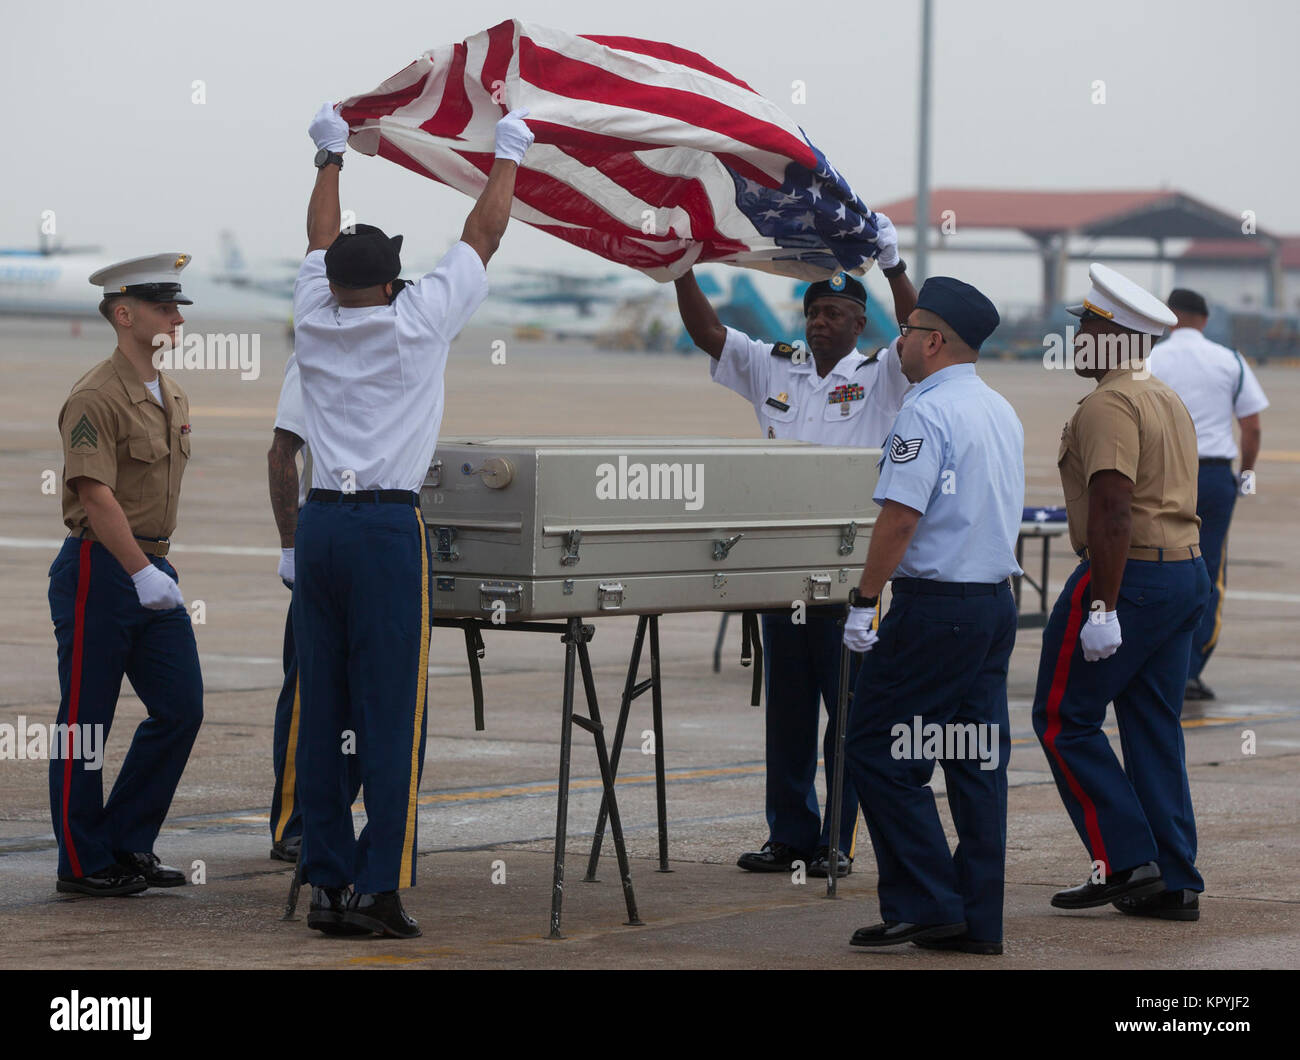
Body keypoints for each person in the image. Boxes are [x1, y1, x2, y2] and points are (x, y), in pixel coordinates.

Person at [292, 101, 532, 938]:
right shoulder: (417, 322)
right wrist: (509, 153)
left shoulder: (313, 320)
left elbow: (319, 241)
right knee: (392, 713)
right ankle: (379, 889)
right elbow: (484, 236)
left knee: (323, 708)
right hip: (386, 532)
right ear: (391, 282)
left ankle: (325, 882)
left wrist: (330, 157)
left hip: (318, 527)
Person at [674, 219, 915, 879]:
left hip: (845, 578)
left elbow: (921, 338)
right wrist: (679, 269)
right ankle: (790, 835)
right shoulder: (774, 367)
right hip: (782, 576)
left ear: (861, 322)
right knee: (786, 713)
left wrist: (894, 268)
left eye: (836, 313)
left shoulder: (881, 378)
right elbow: (708, 334)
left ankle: (838, 840)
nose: (821, 323)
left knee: (849, 717)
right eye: (814, 312)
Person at [840, 277, 1023, 954]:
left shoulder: (924, 411)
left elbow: (900, 519)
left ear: (935, 341)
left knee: (877, 752)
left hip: (936, 610)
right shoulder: (999, 408)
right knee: (974, 765)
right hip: (990, 605)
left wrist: (863, 602)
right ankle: (976, 922)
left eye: (910, 330)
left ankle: (926, 902)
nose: (901, 340)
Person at [1032, 263, 1210, 922]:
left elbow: (1112, 508)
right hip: (1180, 572)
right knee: (1152, 726)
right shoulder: (1163, 395)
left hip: (1127, 575)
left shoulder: (1109, 404)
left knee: (1062, 719)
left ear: (1113, 335)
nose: (1077, 337)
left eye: (1086, 326)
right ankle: (1172, 880)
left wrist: (1102, 606)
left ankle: (1126, 859)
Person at [48, 253, 204, 896]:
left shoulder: (171, 392)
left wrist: (153, 571)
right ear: (124, 314)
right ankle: (82, 863)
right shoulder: (95, 395)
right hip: (102, 568)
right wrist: (140, 572)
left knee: (181, 707)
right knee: (86, 721)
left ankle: (126, 842)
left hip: (151, 567)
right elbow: (94, 492)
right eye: (163, 306)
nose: (176, 316)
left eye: (176, 306)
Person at [1148, 288, 1269, 701]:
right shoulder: (1229, 359)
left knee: (1153, 563)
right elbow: (1251, 427)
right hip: (1215, 476)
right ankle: (1190, 670)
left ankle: (1151, 663)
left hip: (1163, 475)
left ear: (1169, 315)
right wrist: (1245, 477)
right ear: (1204, 316)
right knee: (1208, 570)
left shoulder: (1150, 360)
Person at [265, 353, 362, 862]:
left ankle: (336, 815)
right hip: (322, 534)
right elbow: (283, 452)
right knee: (309, 691)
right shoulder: (318, 352)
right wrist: (290, 548)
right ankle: (293, 821)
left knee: (364, 693)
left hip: (377, 535)